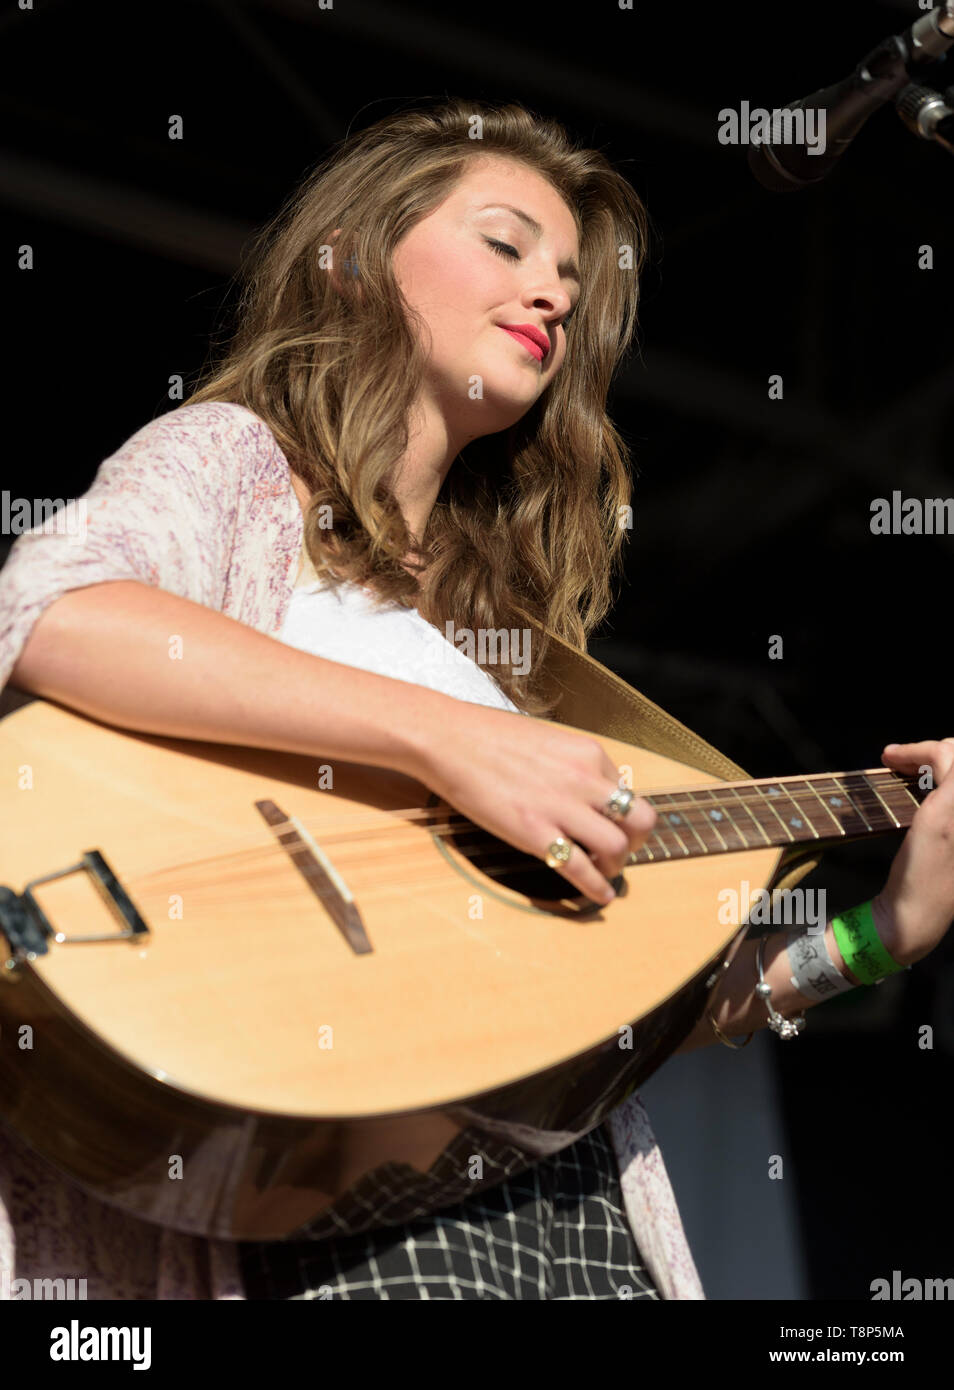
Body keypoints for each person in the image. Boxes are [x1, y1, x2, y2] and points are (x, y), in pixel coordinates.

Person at [2, 97, 953, 1302]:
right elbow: (48, 612)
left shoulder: (513, 658)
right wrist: (453, 744)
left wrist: (872, 941)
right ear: (355, 259)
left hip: (573, 1215)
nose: (554, 292)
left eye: (570, 274)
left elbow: (588, 1019)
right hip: (346, 1213)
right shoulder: (244, 469)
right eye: (507, 245)